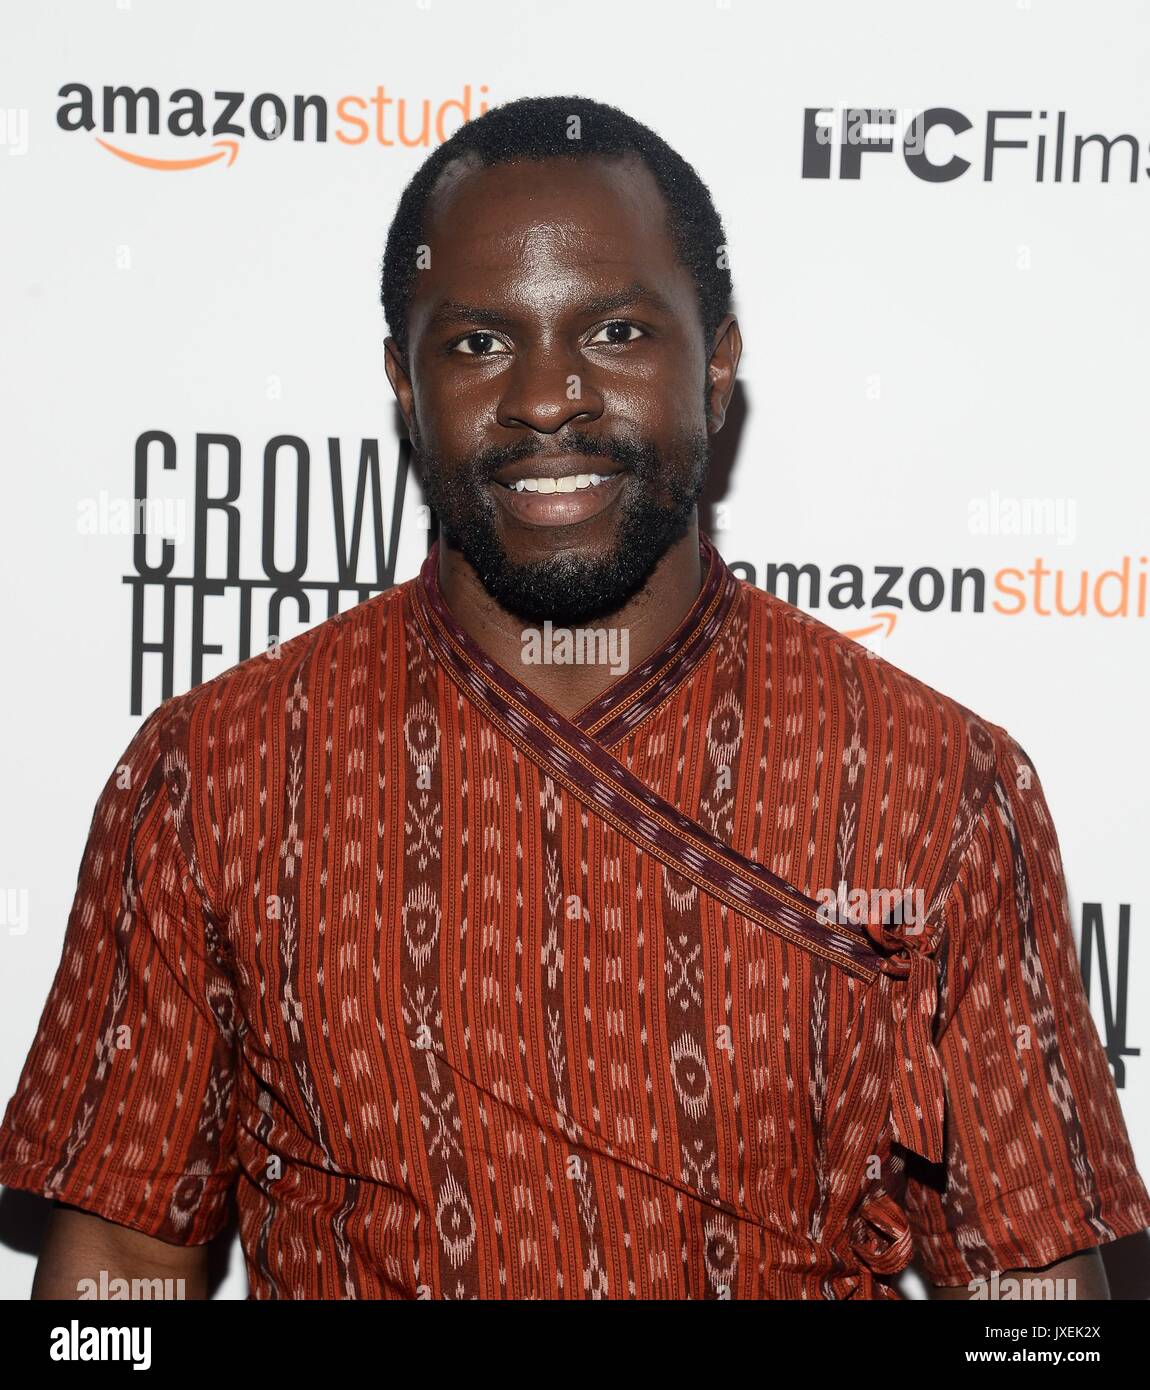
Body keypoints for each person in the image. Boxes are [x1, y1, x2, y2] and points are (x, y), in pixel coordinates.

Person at [0, 94, 1146, 1301]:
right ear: (403, 379)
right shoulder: (220, 768)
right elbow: (122, 1264)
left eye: (616, 331)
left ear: (719, 365)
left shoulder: (936, 783)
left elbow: (1039, 1298)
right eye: (479, 344)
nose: (548, 398)